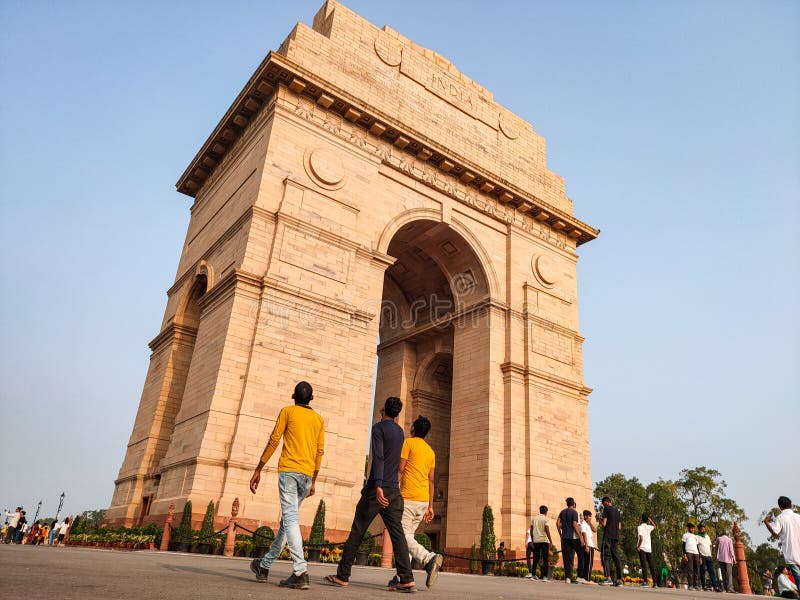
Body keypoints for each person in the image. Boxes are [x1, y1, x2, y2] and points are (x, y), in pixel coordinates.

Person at [324, 397, 415, 592]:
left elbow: (379, 457)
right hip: (394, 490)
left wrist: (378, 485)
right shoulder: (400, 432)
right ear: (398, 413)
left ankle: (342, 576)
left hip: (378, 488)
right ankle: (406, 578)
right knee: (397, 534)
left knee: (358, 529)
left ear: (383, 409)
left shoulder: (378, 428)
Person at [249, 381, 325, 590]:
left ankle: (300, 571)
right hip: (307, 475)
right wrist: (314, 481)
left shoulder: (287, 412)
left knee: (290, 520)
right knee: (287, 522)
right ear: (312, 398)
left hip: (289, 473)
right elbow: (319, 452)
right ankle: (263, 566)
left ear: (293, 397)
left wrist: (258, 468)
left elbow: (274, 440)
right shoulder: (318, 419)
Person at [393, 415, 443, 589]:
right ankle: (401, 578)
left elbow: (400, 469)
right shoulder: (430, 451)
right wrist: (430, 506)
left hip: (408, 498)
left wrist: (392, 489)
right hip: (422, 501)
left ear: (413, 428)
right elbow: (431, 480)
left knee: (402, 536)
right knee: (407, 537)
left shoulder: (408, 443)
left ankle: (427, 558)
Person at [765, 496, 800, 587]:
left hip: (791, 554)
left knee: (798, 579)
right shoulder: (798, 517)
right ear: (791, 505)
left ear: (780, 507)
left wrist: (766, 522)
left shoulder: (780, 518)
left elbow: (775, 533)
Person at [599, 496, 622, 586]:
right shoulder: (617, 511)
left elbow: (604, 524)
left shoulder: (606, 509)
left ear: (606, 502)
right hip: (615, 537)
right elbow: (619, 527)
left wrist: (599, 519)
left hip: (608, 536)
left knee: (605, 556)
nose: (603, 505)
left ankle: (608, 578)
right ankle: (619, 580)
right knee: (616, 558)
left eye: (603, 503)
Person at [526, 505, 553, 580]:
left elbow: (531, 530)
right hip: (544, 540)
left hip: (536, 540)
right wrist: (550, 540)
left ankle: (533, 575)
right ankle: (545, 576)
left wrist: (532, 538)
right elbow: (547, 530)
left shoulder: (534, 518)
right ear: (546, 512)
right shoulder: (545, 519)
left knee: (535, 558)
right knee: (545, 559)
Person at [696, 523, 720, 591]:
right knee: (703, 571)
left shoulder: (707, 536)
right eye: (702, 529)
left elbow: (710, 545)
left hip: (708, 556)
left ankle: (715, 586)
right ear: (699, 530)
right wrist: (699, 557)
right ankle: (704, 586)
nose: (703, 530)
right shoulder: (697, 537)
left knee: (712, 571)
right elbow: (696, 547)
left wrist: (710, 553)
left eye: (704, 528)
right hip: (702, 556)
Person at [636, 513, 657, 588]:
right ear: (647, 520)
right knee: (651, 566)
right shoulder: (649, 527)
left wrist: (638, 546)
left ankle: (645, 582)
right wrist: (650, 519)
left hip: (642, 548)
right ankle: (655, 583)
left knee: (644, 565)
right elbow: (655, 526)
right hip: (648, 548)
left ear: (641, 519)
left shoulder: (639, 527)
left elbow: (641, 538)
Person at [578, 510, 597, 584]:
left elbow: (595, 530)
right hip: (588, 545)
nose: (590, 518)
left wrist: (590, 522)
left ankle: (585, 578)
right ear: (585, 516)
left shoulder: (587, 524)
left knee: (587, 562)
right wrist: (586, 545)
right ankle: (587, 579)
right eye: (589, 516)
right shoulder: (583, 524)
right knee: (589, 563)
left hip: (590, 545)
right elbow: (584, 534)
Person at [715, 529, 736, 593]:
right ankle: (730, 588)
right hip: (728, 559)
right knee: (729, 574)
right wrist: (734, 558)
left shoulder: (719, 539)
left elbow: (716, 546)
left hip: (721, 558)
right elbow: (731, 550)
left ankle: (725, 588)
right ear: (727, 534)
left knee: (723, 574)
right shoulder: (729, 540)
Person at [683, 522, 701, 591]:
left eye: (693, 528)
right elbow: (683, 545)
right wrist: (684, 554)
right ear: (689, 528)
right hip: (688, 552)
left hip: (696, 553)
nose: (693, 529)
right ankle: (690, 585)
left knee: (697, 569)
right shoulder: (685, 535)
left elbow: (697, 546)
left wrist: (699, 556)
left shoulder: (695, 536)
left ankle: (696, 585)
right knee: (690, 569)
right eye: (691, 528)